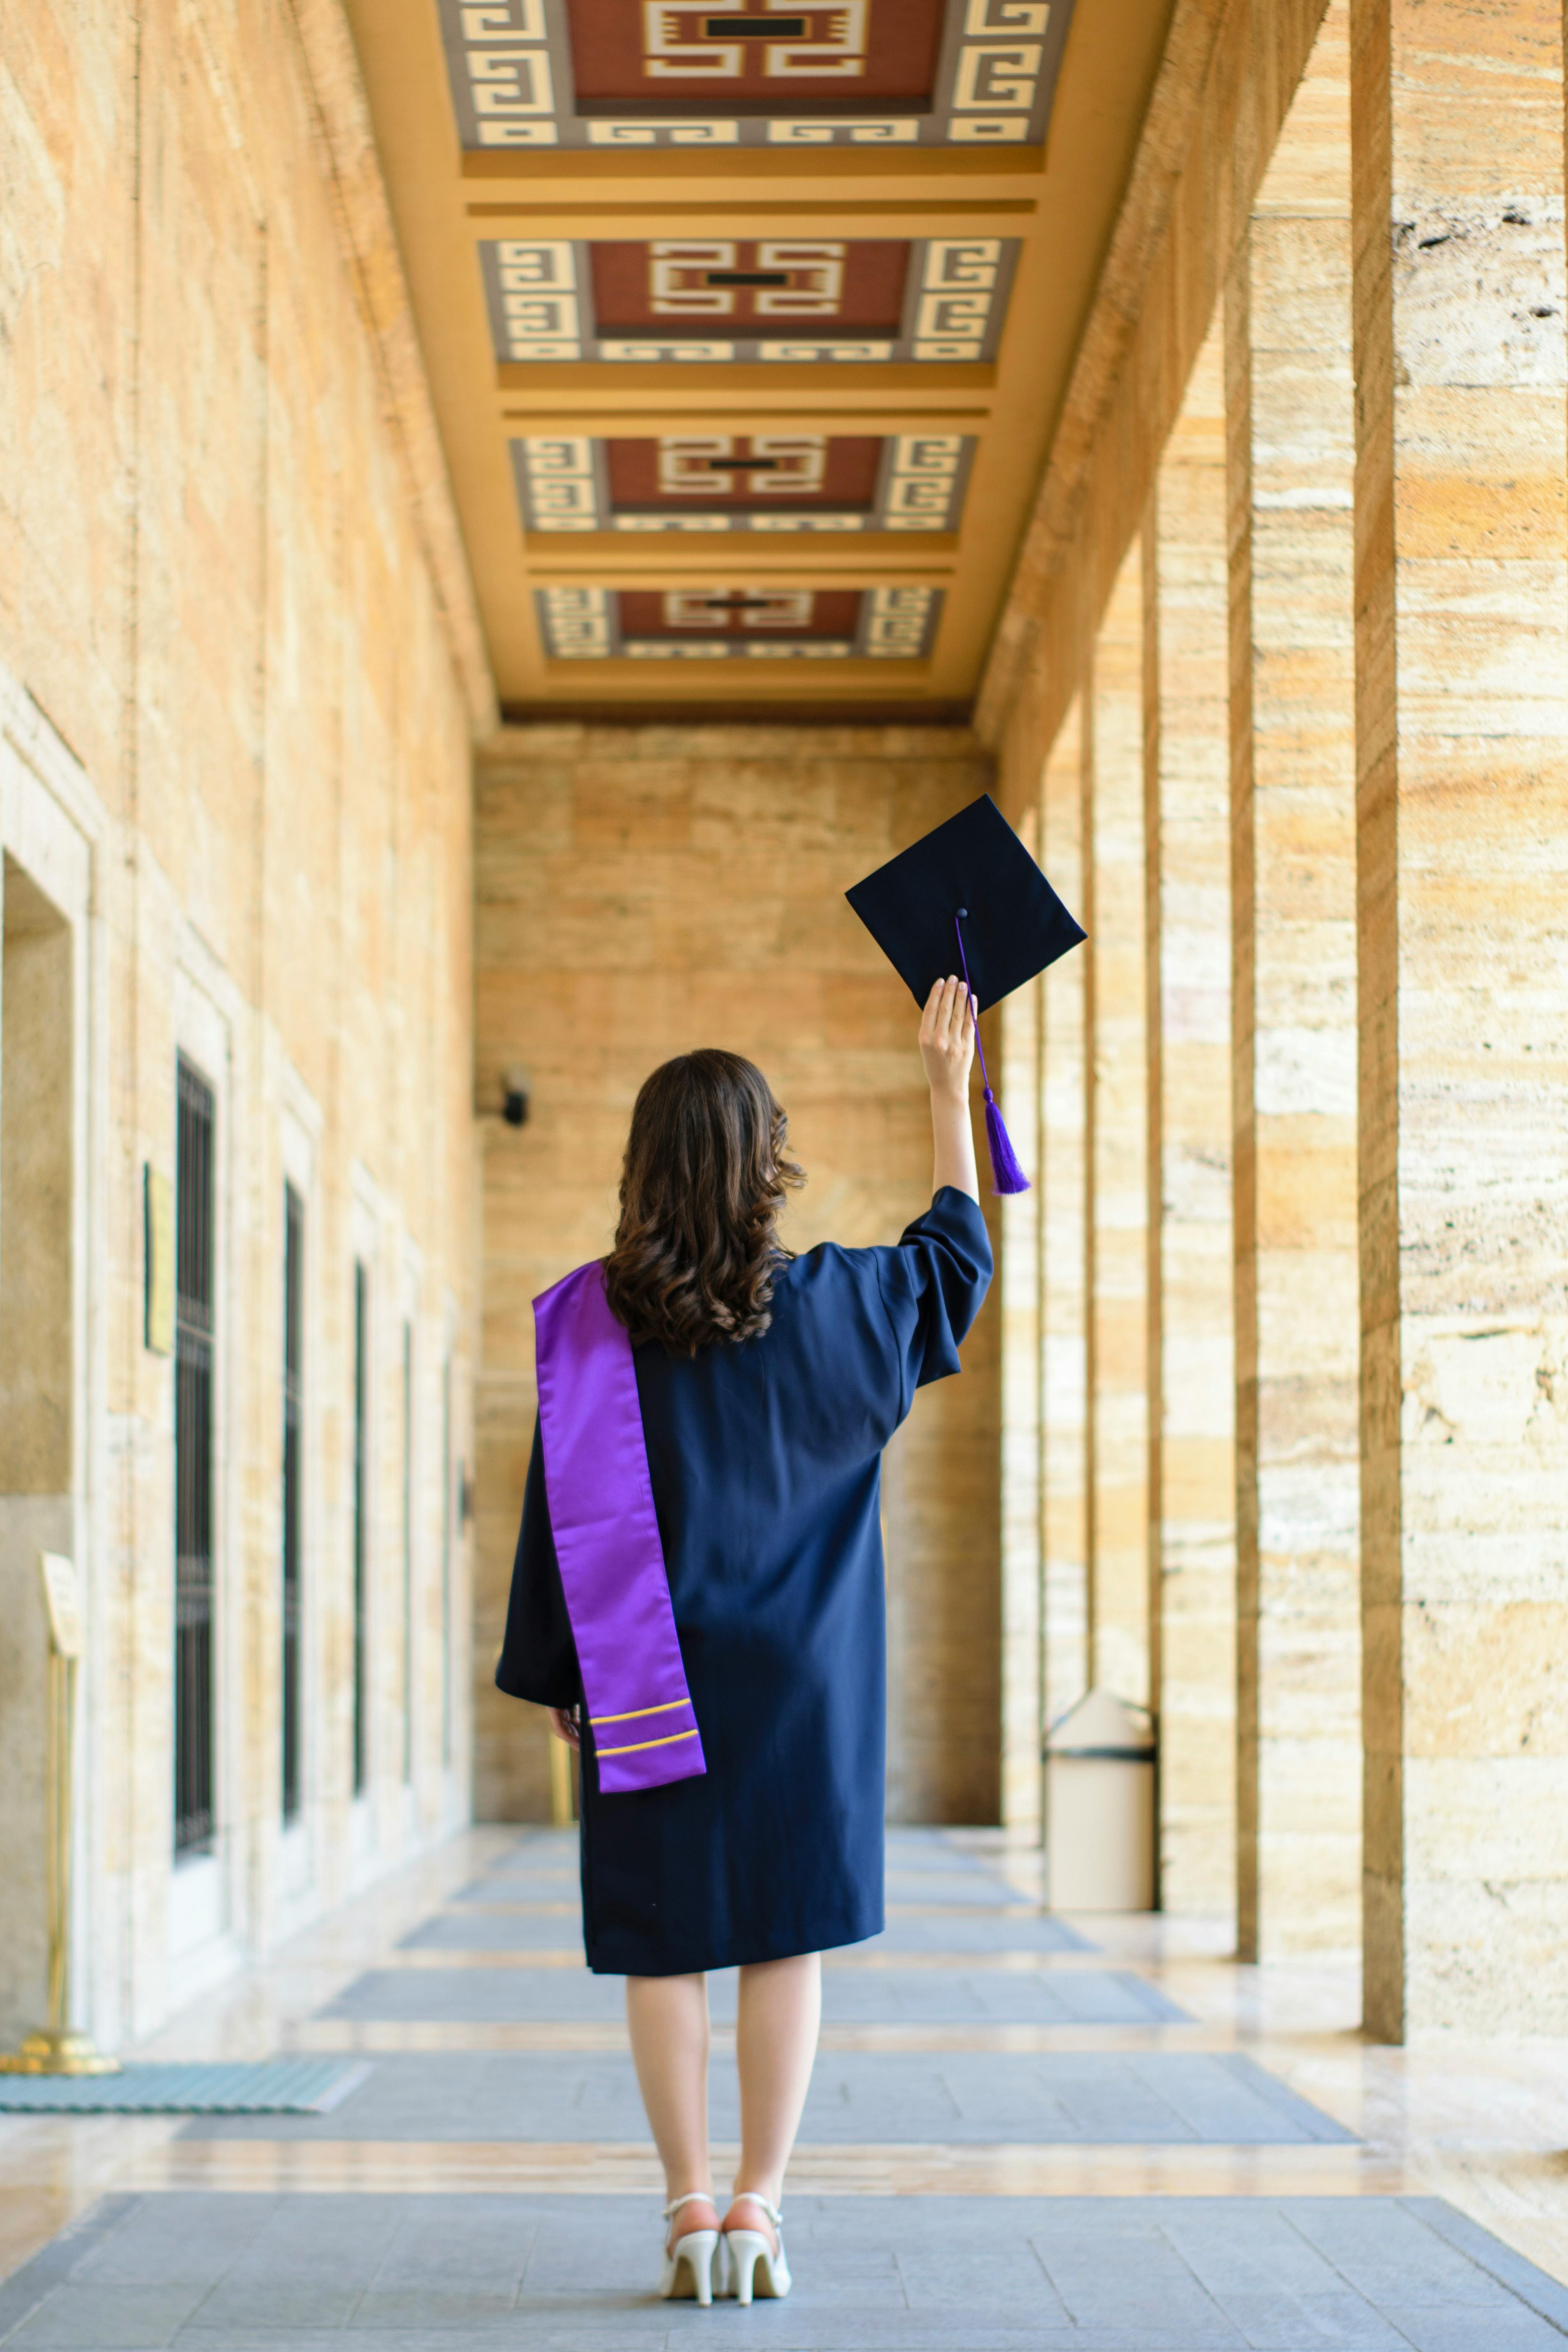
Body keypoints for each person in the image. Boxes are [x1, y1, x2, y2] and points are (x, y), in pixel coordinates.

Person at [495, 975, 992, 2304]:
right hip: (805, 1693)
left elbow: (555, 1498)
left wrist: (560, 1670)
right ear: (766, 1164)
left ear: (642, 1169)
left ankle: (685, 2211)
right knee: (782, 1938)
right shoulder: (837, 1309)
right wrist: (947, 1095)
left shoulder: (591, 1324)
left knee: (668, 1943)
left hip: (650, 1680)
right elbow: (956, 1262)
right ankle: (760, 2212)